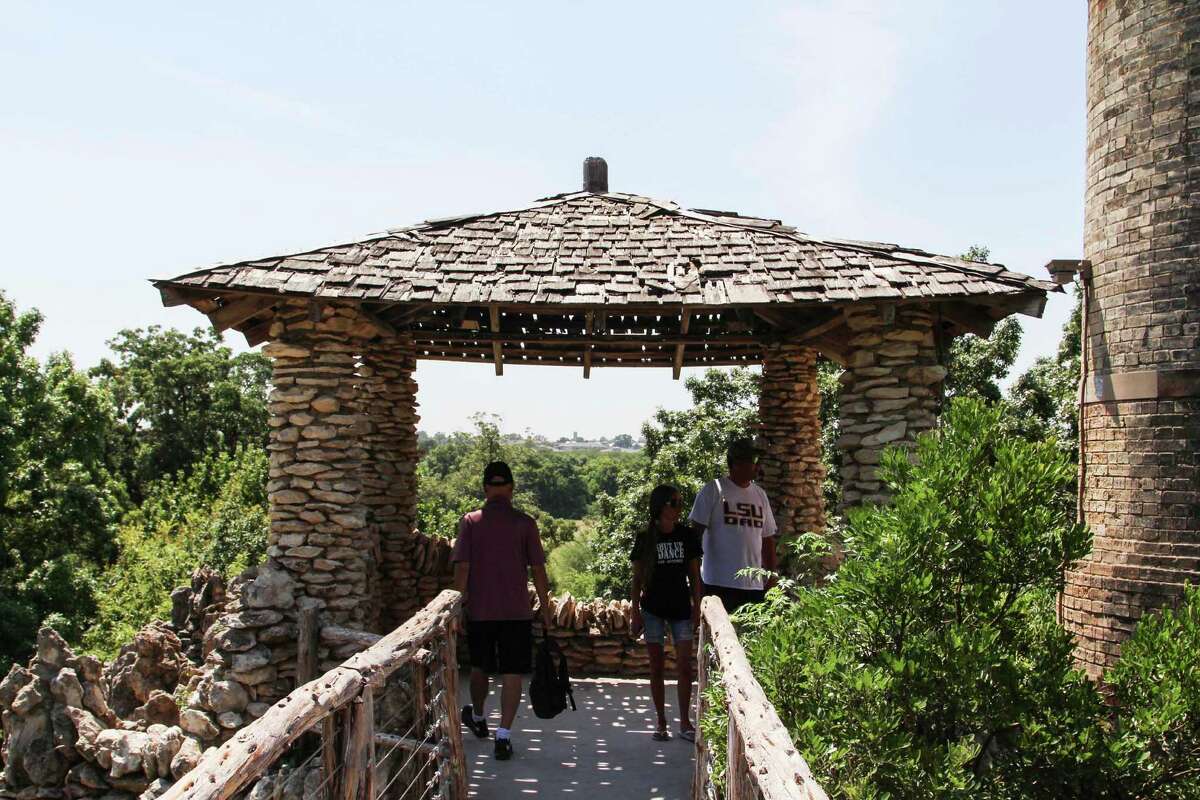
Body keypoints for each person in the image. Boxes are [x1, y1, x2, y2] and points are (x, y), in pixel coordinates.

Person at [452, 461, 554, 761]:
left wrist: (457, 608)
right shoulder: (525, 523)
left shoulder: (470, 522)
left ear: (485, 488)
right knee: (512, 672)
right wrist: (547, 607)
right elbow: (538, 569)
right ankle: (504, 735)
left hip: (481, 610)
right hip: (516, 611)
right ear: (511, 487)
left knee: (480, 667)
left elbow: (462, 567)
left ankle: (480, 717)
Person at [630, 484, 703, 742]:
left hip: (681, 608)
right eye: (674, 502)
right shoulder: (645, 537)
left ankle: (685, 722)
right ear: (661, 506)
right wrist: (634, 612)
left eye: (680, 502)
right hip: (652, 610)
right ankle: (661, 722)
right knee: (657, 667)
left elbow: (695, 577)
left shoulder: (687, 536)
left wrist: (697, 607)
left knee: (684, 667)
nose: (679, 507)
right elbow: (637, 579)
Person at [688, 438, 778, 613]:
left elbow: (767, 540)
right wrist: (695, 582)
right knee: (718, 637)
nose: (758, 466)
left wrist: (772, 577)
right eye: (753, 461)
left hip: (754, 586)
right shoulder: (712, 490)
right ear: (736, 463)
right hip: (717, 584)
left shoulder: (760, 495)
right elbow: (693, 539)